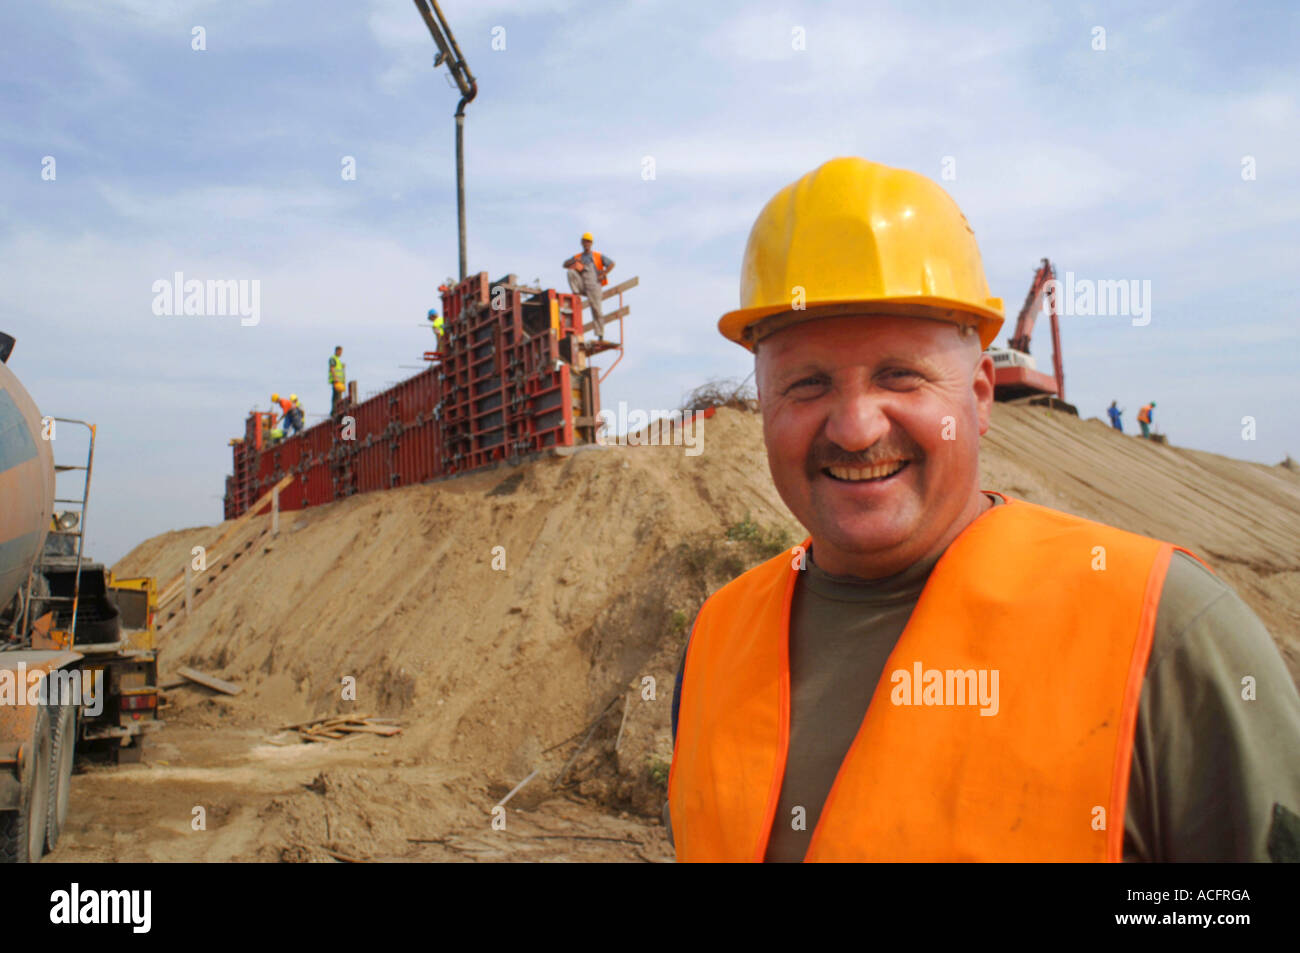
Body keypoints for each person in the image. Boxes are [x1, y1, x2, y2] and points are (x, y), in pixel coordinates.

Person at [667, 157, 1300, 862]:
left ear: (979, 395)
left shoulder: (1165, 634)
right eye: (806, 384)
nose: (854, 427)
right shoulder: (716, 641)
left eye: (898, 374)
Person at [563, 232, 615, 339]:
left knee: (596, 310)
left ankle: (600, 334)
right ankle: (576, 292)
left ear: (591, 243)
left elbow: (611, 264)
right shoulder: (578, 257)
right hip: (583, 285)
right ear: (582, 243)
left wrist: (604, 274)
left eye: (588, 241)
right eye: (584, 241)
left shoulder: (597, 256)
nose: (586, 243)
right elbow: (565, 264)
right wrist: (574, 261)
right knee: (570, 272)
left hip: (594, 285)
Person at [329, 346, 346, 414]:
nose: (341, 353)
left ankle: (336, 410)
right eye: (340, 352)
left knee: (338, 397)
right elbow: (332, 368)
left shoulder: (337, 360)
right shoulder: (333, 359)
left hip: (339, 382)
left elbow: (338, 369)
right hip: (336, 381)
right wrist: (335, 378)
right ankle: (335, 411)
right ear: (337, 351)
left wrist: (342, 366)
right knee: (337, 397)